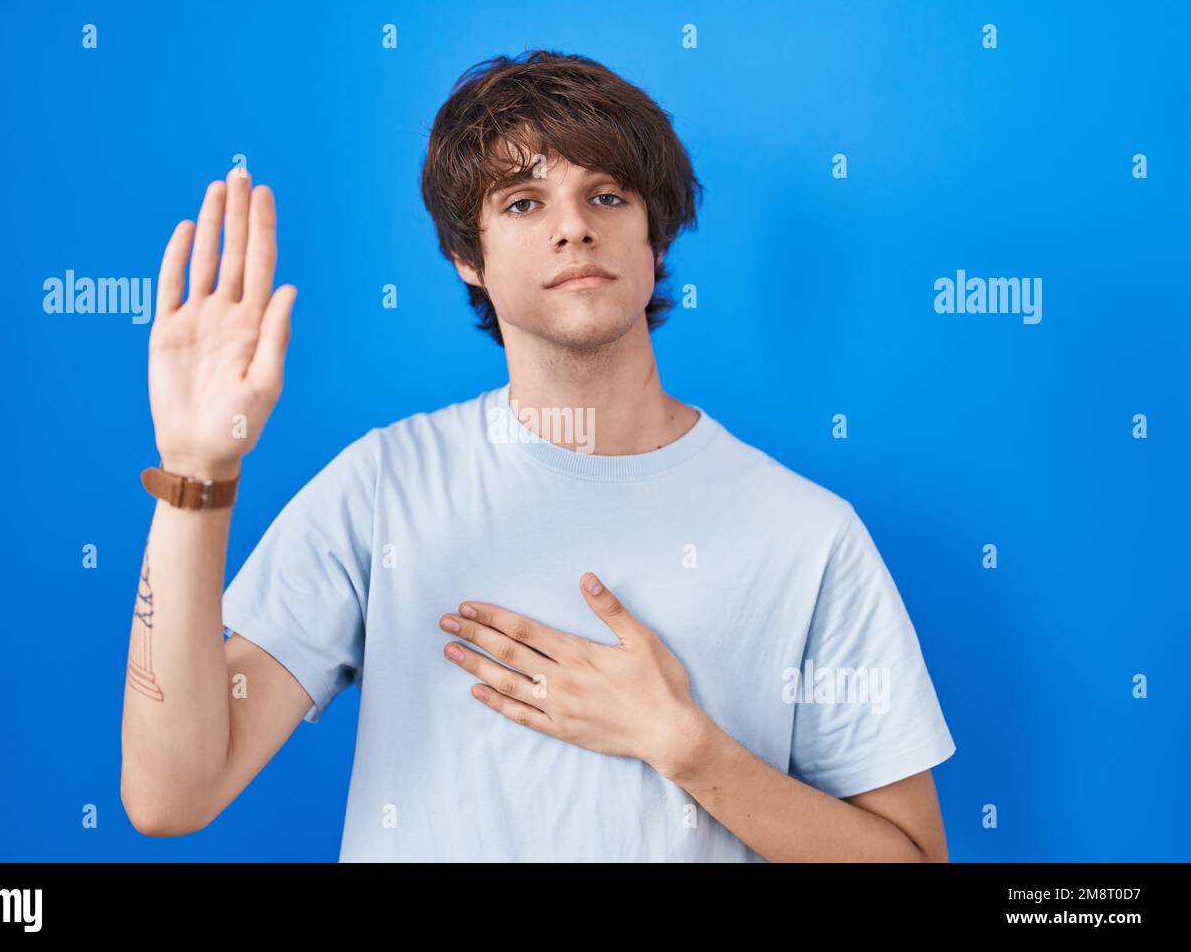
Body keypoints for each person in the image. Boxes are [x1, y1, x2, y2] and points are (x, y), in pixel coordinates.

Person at [120, 49, 955, 862]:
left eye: (607, 195)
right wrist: (199, 471)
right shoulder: (382, 487)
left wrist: (690, 748)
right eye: (523, 203)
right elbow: (170, 797)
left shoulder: (809, 535)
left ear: (654, 239)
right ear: (467, 257)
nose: (573, 228)